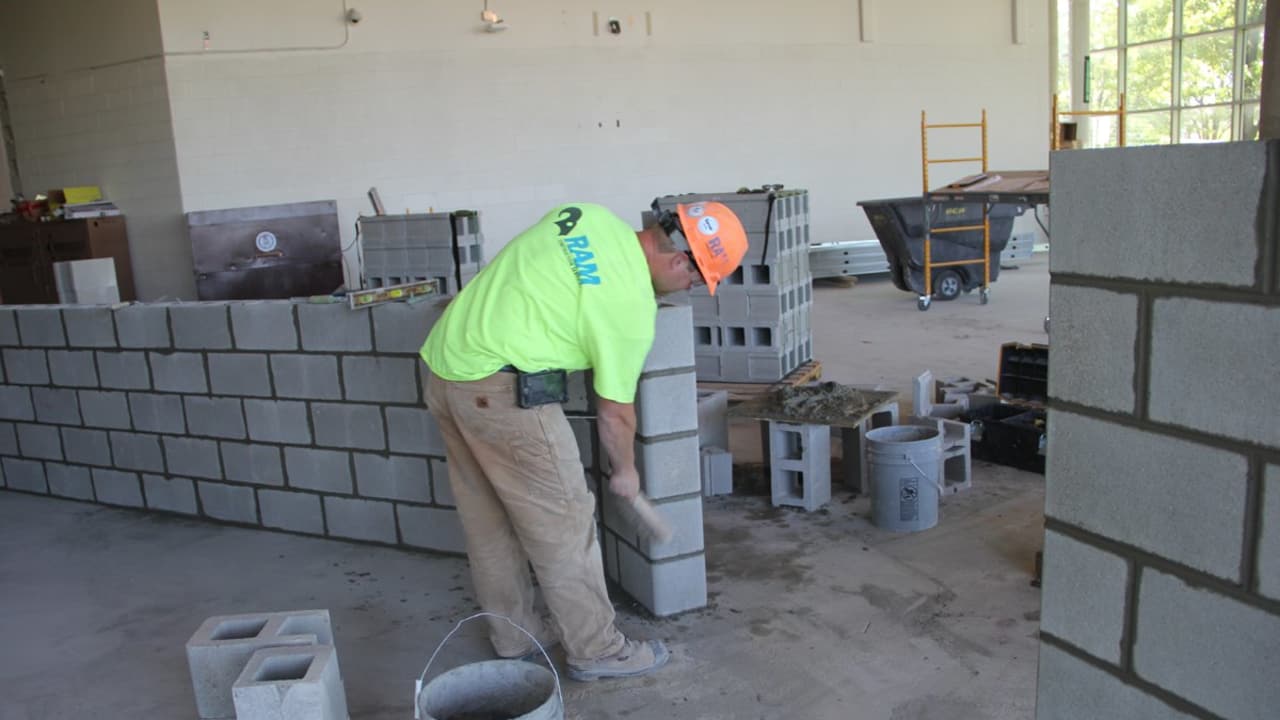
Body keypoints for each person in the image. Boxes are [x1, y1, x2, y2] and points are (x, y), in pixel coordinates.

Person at [419, 200, 748, 681]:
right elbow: (614, 412)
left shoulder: (585, 217)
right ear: (681, 259)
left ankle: (514, 636)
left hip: (445, 370)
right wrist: (626, 472)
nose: (691, 289)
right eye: (698, 280)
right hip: (500, 393)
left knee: (489, 523)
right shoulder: (629, 306)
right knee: (566, 526)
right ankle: (597, 649)